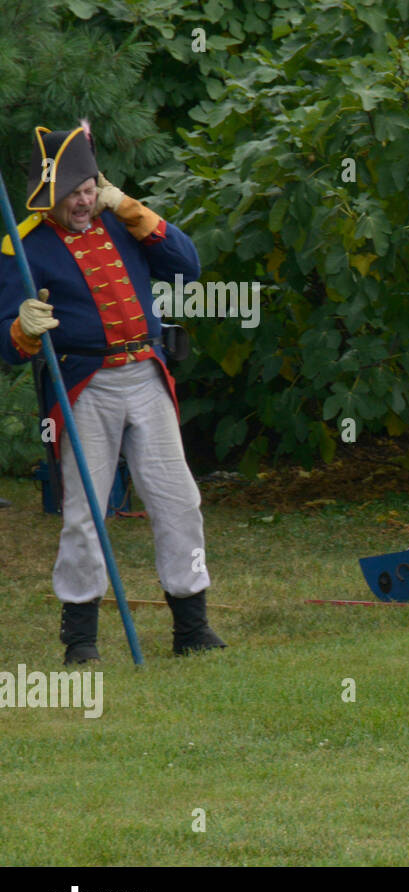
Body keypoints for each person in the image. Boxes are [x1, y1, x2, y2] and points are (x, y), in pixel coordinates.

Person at [0, 123, 225, 663]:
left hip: (146, 376)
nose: (83, 201)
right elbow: (6, 345)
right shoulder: (21, 249)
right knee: (84, 515)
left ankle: (191, 625)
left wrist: (131, 207)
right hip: (84, 388)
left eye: (89, 188)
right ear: (48, 197)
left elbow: (187, 266)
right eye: (73, 193)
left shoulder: (123, 222)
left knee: (179, 503)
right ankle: (81, 639)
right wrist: (23, 329)